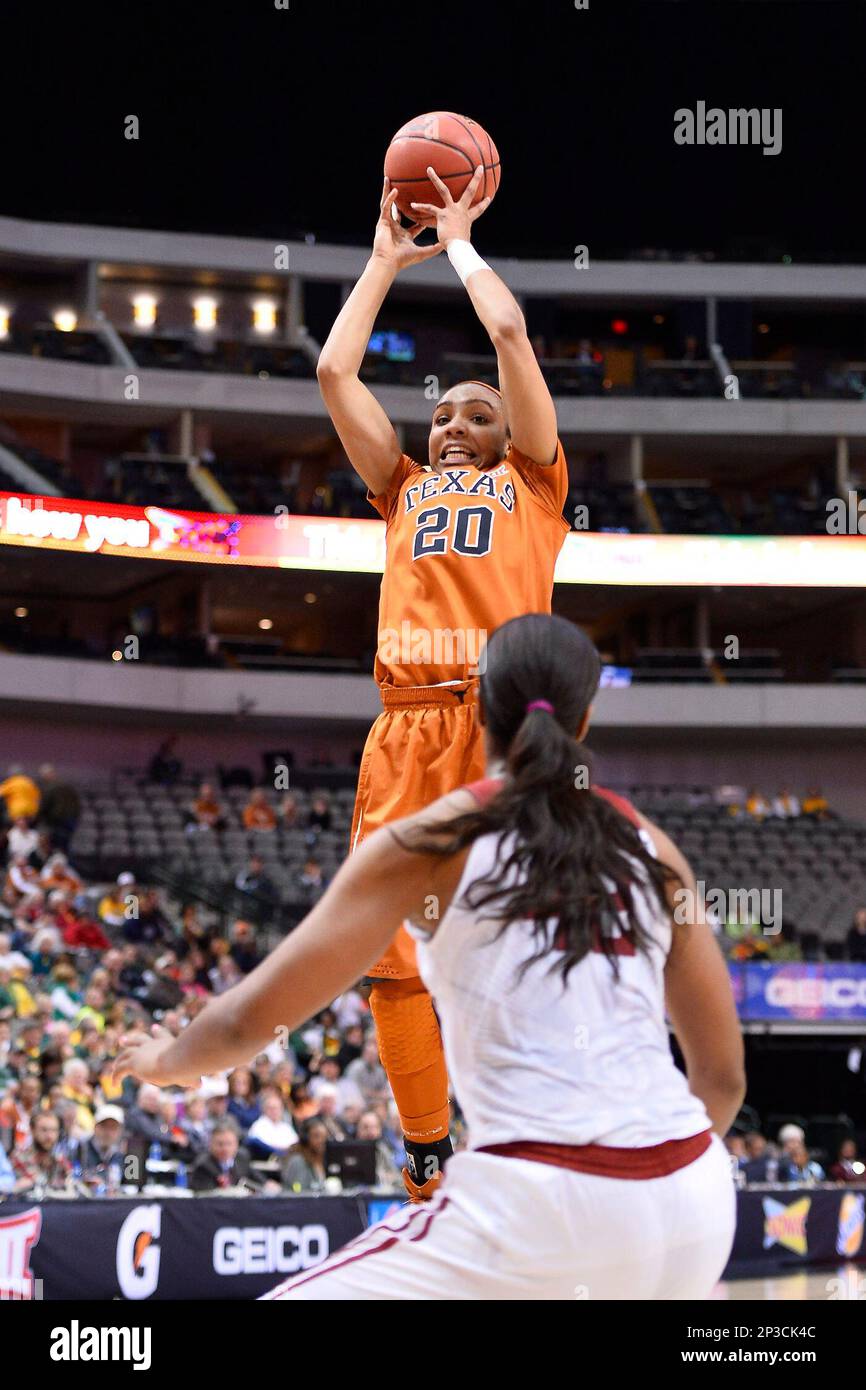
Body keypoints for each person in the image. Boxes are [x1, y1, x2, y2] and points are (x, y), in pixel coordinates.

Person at [114, 613, 744, 1301]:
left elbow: (247, 1025)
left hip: (540, 1198)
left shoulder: (434, 840)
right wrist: (644, 1187)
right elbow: (722, 1077)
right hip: (696, 1200)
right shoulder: (654, 850)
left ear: (479, 703)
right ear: (585, 719)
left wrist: (162, 1061)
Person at [313, 168, 571, 1199]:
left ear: (509, 434)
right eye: (440, 414)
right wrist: (381, 263)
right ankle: (425, 1154)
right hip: (405, 731)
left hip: (504, 731)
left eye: (473, 415)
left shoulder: (534, 486)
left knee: (518, 946)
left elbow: (509, 338)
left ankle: (537, 1142)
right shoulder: (401, 491)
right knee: (387, 957)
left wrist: (458, 244)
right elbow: (336, 372)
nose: (451, 424)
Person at [187, 1119, 262, 1192]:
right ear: (211, 1144)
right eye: (220, 1144)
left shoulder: (242, 1158)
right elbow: (206, 1195)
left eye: (229, 1144)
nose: (225, 1149)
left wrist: (268, 1184)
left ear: (236, 1144)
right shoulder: (203, 1165)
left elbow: (260, 1181)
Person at [281, 1117, 329, 1192]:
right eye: (316, 1136)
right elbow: (298, 1191)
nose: (321, 1141)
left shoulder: (317, 1158)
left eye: (324, 1137)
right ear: (305, 1138)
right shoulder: (297, 1161)